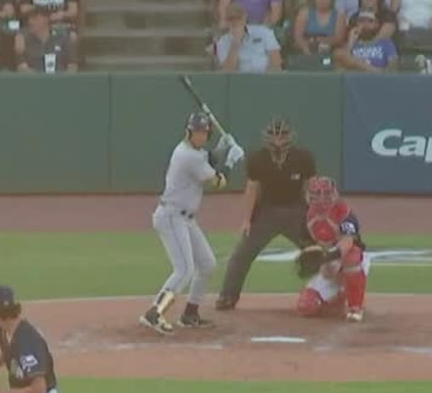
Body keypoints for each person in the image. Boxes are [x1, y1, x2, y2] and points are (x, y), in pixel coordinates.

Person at [140, 112, 244, 334]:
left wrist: (222, 147)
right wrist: (231, 160)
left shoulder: (191, 151)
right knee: (184, 269)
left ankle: (190, 314)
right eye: (198, 132)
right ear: (189, 131)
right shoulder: (188, 156)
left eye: (205, 132)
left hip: (185, 218)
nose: (201, 136)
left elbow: (208, 158)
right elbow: (219, 181)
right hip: (171, 217)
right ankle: (154, 313)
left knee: (207, 264)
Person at [216, 118, 318, 312]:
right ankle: (228, 296)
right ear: (267, 136)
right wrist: (246, 220)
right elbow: (252, 189)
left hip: (296, 211)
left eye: (282, 135)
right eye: (274, 135)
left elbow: (311, 187)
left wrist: (314, 217)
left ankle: (329, 295)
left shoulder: (303, 157)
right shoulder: (258, 158)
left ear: (290, 136)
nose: (278, 139)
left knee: (317, 252)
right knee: (241, 255)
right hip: (266, 213)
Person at [295, 176, 369, 322]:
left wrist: (328, 257)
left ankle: (355, 308)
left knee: (351, 257)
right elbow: (311, 250)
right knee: (306, 306)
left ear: (334, 194)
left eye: (326, 194)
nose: (322, 199)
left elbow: (347, 243)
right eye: (317, 195)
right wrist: (322, 263)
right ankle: (339, 296)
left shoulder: (344, 212)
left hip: (352, 258)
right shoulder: (305, 217)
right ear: (309, 196)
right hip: (327, 264)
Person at [334, 9, 398, 70]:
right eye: (361, 21)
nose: (365, 25)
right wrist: (351, 42)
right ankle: (375, 71)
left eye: (370, 21)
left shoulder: (386, 44)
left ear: (377, 24)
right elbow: (339, 66)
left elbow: (393, 67)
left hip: (379, 80)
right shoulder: (350, 44)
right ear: (356, 24)